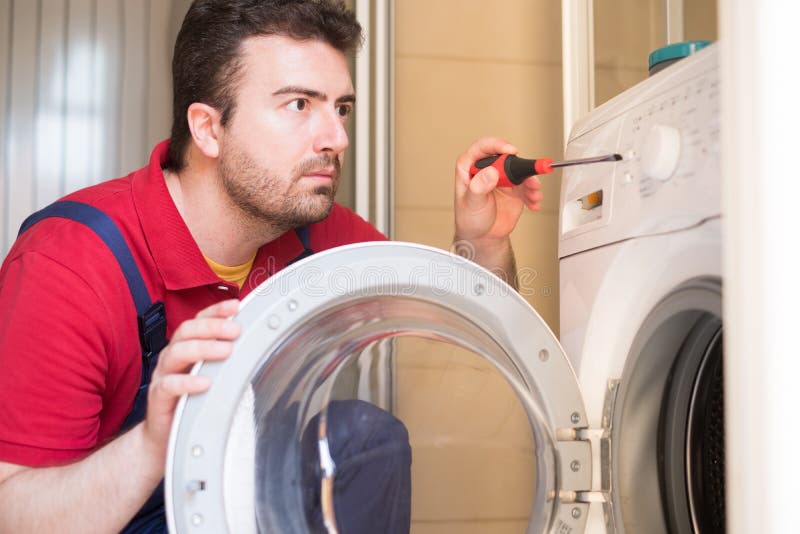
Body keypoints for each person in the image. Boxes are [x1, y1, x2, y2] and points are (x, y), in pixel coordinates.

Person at [0, 0, 543, 532]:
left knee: (361, 439)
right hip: (127, 511)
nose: (337, 138)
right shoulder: (70, 265)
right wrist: (150, 447)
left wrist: (482, 240)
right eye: (300, 105)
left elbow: (461, 333)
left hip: (251, 499)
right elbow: (13, 513)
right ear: (208, 129)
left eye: (341, 107)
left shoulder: (316, 233)